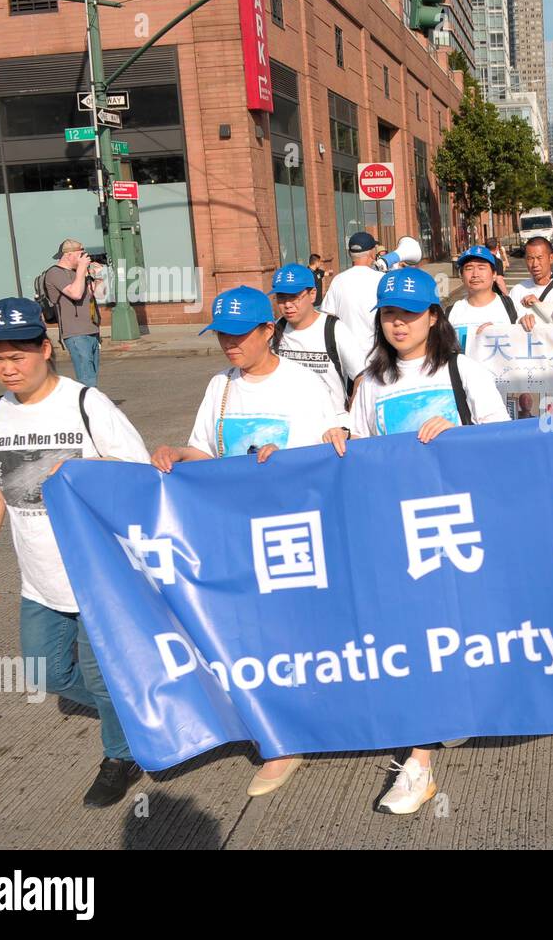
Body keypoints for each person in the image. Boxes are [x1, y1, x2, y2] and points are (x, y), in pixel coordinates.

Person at [325, 267, 511, 814]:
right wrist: (338, 434)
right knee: (421, 636)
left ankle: (443, 728)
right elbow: (356, 445)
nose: (398, 323)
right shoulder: (371, 382)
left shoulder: (464, 372)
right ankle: (421, 759)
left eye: (409, 313)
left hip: (458, 529)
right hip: (396, 534)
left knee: (460, 630)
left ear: (435, 316)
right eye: (388, 314)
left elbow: (503, 442)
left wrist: (461, 437)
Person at [150, 285, 346, 795]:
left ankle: (316, 722)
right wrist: (175, 453)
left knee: (298, 634)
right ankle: (280, 740)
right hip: (234, 532)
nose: (229, 345)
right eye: (222, 335)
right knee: (251, 636)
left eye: (240, 335)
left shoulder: (303, 385)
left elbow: (327, 459)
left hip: (291, 533)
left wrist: (281, 461)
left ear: (268, 331)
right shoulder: (221, 385)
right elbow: (203, 449)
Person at [0, 297, 151, 808]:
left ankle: (120, 754)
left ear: (45, 350)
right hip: (40, 579)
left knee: (100, 672)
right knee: (46, 672)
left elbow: (138, 472)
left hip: (99, 574)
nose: (6, 367)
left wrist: (80, 473)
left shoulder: (85, 404)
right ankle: (133, 709)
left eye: (17, 355)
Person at [270, 263, 367, 413]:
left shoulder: (333, 329)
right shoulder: (275, 330)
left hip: (332, 424)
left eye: (294, 297)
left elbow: (361, 376)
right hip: (290, 423)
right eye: (281, 298)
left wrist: (353, 418)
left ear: (313, 294)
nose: (288, 305)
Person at [42, 239, 104, 387]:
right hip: (75, 332)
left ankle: (89, 404)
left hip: (91, 329)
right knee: (86, 377)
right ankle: (87, 406)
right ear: (68, 255)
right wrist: (82, 270)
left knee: (92, 375)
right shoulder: (54, 273)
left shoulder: (79, 273)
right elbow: (75, 293)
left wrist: (99, 276)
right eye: (81, 254)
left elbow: (100, 294)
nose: (85, 257)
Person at [446, 245, 531, 341]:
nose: (475, 274)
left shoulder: (512, 307)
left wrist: (527, 325)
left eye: (481, 268)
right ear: (462, 276)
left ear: (494, 274)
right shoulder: (452, 313)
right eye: (469, 268)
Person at [320, 231, 383, 359]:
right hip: (377, 355)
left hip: (347, 356)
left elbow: (327, 317)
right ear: (372, 253)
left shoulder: (338, 280)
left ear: (350, 254)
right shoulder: (383, 279)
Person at [510, 237, 553, 323]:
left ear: (551, 258)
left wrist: (540, 306)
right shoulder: (517, 290)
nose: (535, 264)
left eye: (539, 258)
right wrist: (520, 322)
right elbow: (508, 323)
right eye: (530, 259)